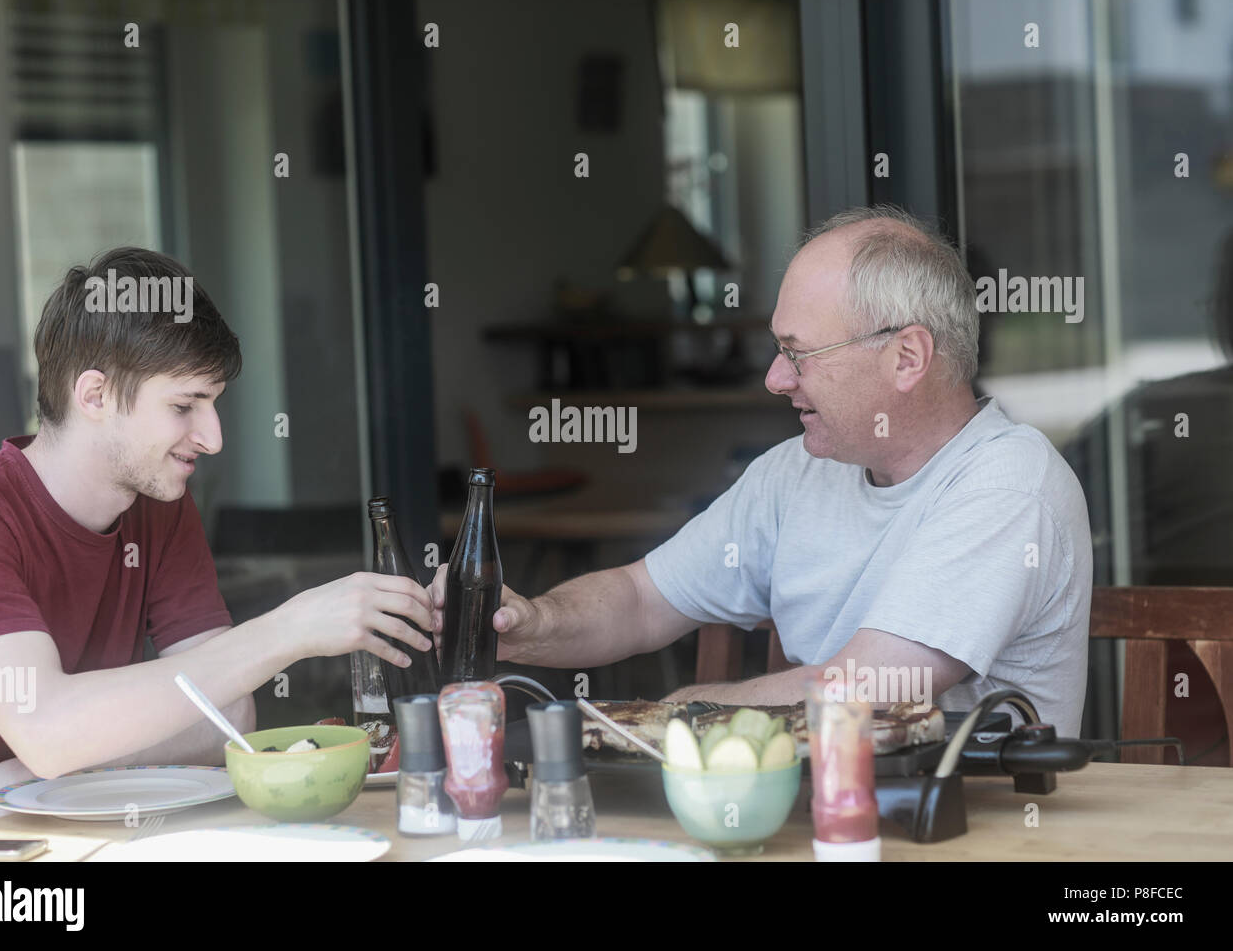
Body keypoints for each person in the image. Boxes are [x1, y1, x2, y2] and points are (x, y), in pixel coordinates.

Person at [431, 206, 1093, 737]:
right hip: (810, 818)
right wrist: (527, 621)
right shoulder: (796, 474)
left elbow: (866, 692)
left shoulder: (1008, 484)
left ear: (907, 357)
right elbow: (640, 600)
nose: (776, 380)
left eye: (799, 354)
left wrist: (676, 714)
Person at [0, 247, 437, 830]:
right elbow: (48, 727)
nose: (213, 437)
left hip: (73, 826)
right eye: (184, 405)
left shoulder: (158, 505)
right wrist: (287, 630)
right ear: (94, 395)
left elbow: (225, 714)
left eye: (213, 403)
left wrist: (39, 772)